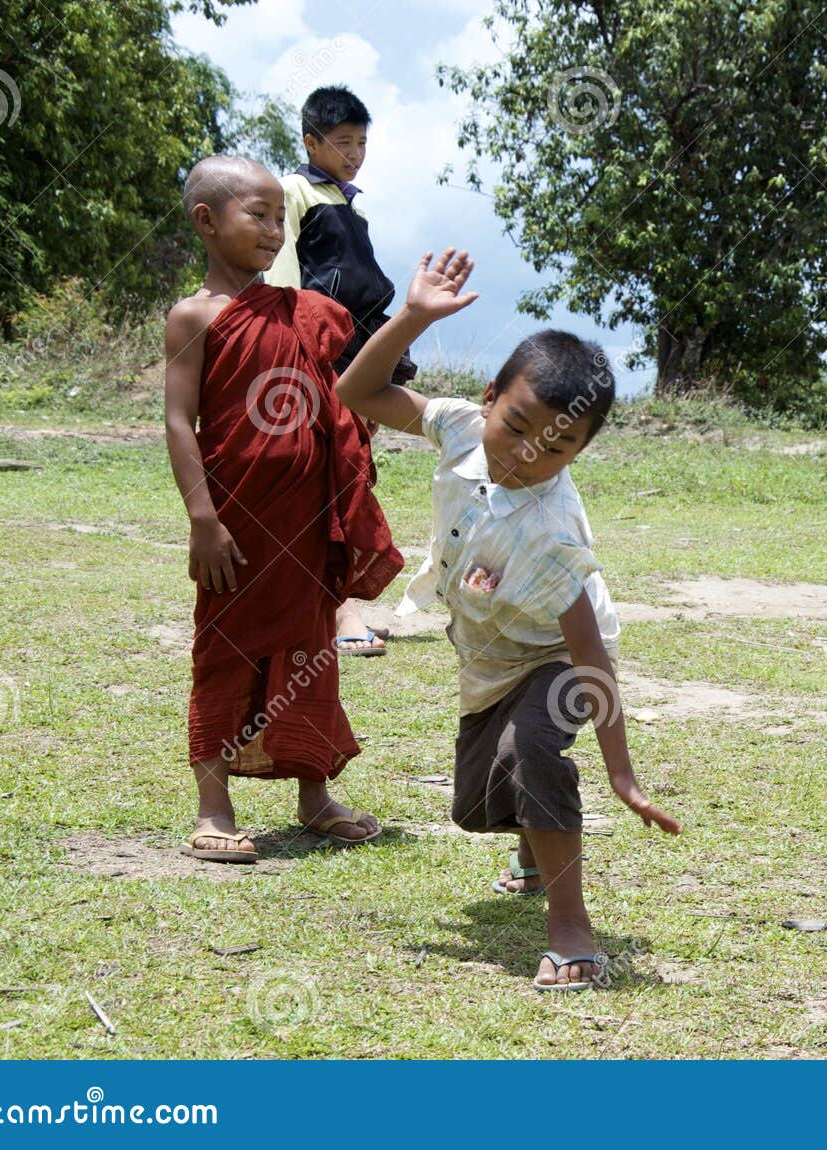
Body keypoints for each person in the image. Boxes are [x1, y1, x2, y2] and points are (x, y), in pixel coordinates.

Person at [335, 249, 681, 990]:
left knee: (533, 749)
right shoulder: (460, 427)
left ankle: (572, 930)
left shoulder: (551, 532)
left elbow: (591, 656)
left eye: (557, 448)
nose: (528, 453)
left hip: (558, 654)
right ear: (490, 397)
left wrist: (622, 772)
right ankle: (532, 845)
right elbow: (357, 389)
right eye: (517, 425)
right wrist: (414, 318)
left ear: (582, 452)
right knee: (473, 805)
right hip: (489, 654)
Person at [164, 155, 403, 864]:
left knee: (310, 650)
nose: (274, 229)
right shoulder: (193, 318)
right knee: (224, 649)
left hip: (306, 522)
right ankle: (214, 805)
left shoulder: (308, 312)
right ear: (207, 222)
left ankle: (314, 794)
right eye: (258, 215)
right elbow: (181, 423)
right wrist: (202, 519)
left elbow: (352, 389)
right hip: (235, 522)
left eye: (280, 217)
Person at [266, 84, 411, 657]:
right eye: (343, 142)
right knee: (331, 471)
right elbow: (284, 275)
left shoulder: (355, 204)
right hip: (316, 349)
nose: (354, 153)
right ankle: (339, 608)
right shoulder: (293, 191)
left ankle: (325, 599)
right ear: (311, 141)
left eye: (362, 143)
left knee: (353, 467)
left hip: (361, 347)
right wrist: (287, 348)